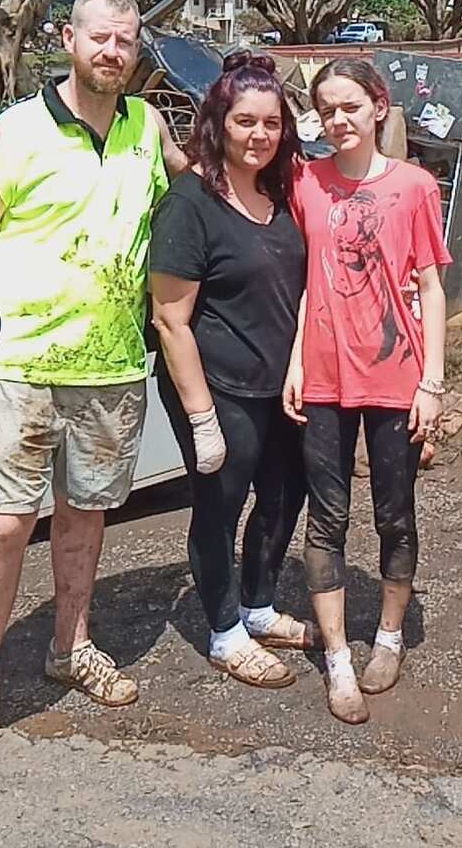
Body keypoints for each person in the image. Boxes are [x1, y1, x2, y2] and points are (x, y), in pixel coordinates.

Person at [0, 0, 187, 787]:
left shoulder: (148, 129)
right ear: (68, 40)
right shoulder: (18, 130)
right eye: (99, 37)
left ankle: (70, 645)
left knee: (85, 514)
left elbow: (204, 193)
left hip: (112, 368)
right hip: (20, 367)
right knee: (4, 527)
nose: (113, 51)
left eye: (126, 39)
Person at [283, 58, 451, 725]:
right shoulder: (305, 183)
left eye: (350, 106)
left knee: (394, 514)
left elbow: (431, 286)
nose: (338, 120)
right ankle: (337, 658)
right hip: (324, 375)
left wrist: (432, 380)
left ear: (379, 106)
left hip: (395, 374)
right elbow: (304, 279)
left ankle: (388, 636)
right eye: (326, 109)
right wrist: (296, 362)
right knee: (326, 518)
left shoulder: (414, 186)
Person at [149, 52, 317, 688]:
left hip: (281, 383)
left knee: (285, 494)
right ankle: (224, 632)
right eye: (245, 121)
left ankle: (259, 605)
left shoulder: (279, 191)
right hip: (218, 386)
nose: (259, 135)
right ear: (218, 122)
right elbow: (170, 320)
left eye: (272, 123)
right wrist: (201, 419)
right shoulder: (190, 203)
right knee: (220, 504)